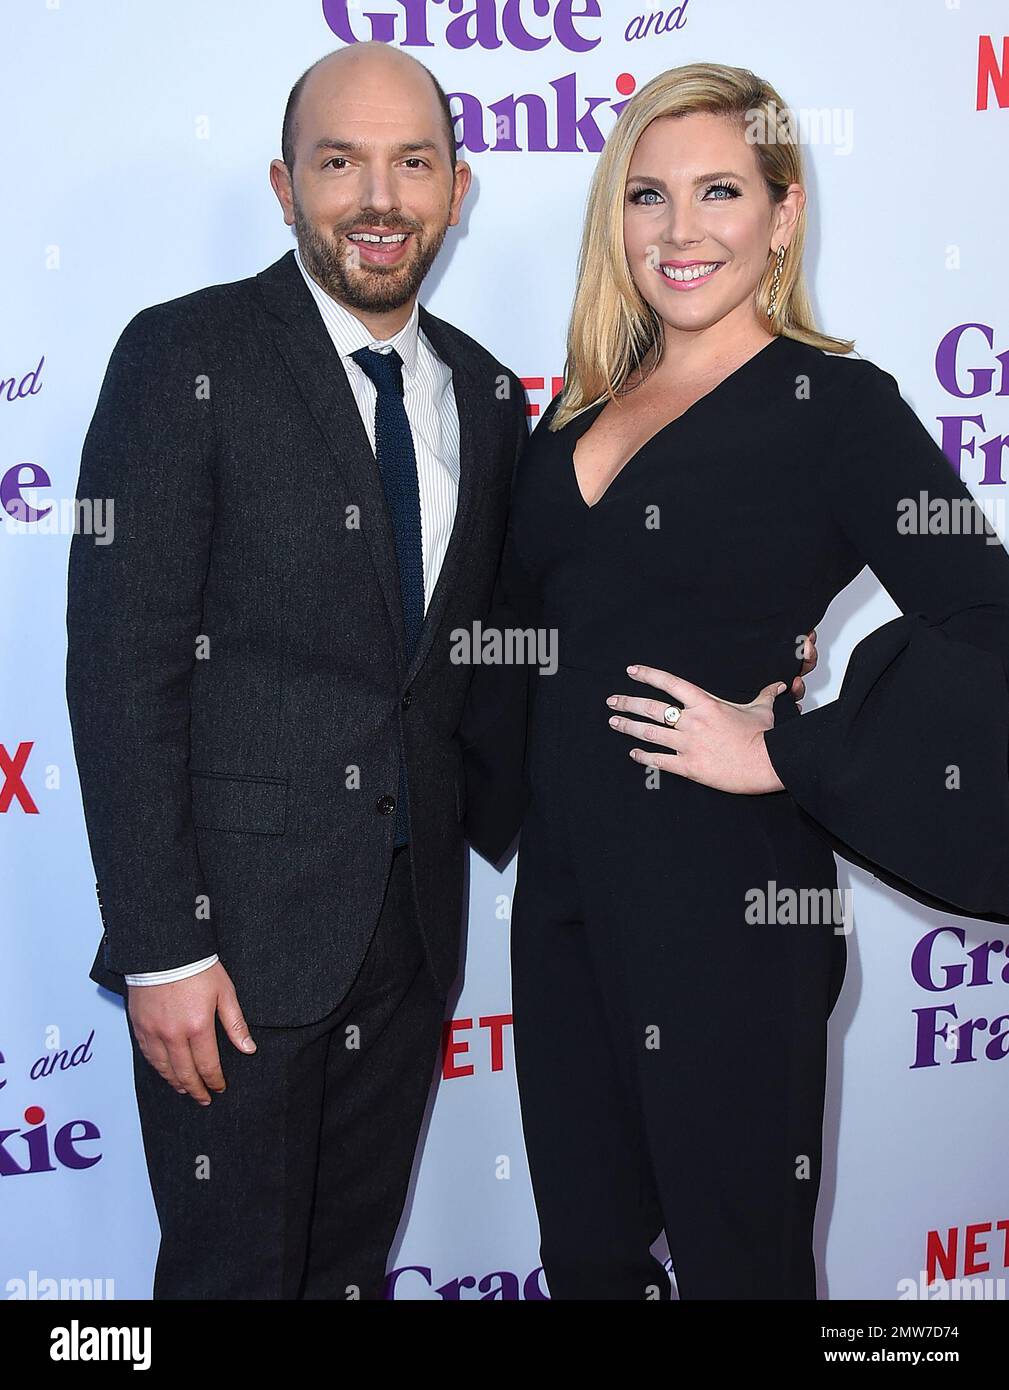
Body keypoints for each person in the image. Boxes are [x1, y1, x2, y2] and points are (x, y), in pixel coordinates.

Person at [459, 62, 1009, 1299]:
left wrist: (784, 751)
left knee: (738, 1263)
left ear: (783, 213)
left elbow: (984, 620)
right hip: (564, 898)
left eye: (719, 191)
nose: (680, 229)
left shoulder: (838, 408)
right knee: (587, 1258)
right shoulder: (574, 407)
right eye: (647, 197)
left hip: (731, 899)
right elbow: (525, 626)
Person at [65, 41, 528, 1300]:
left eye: (411, 162)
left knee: (343, 1275)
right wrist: (161, 947)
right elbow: (121, 667)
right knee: (229, 1279)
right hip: (230, 951)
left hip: (411, 930)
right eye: (340, 162)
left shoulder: (486, 393)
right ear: (285, 186)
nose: (378, 197)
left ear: (456, 186)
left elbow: (482, 653)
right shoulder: (183, 356)